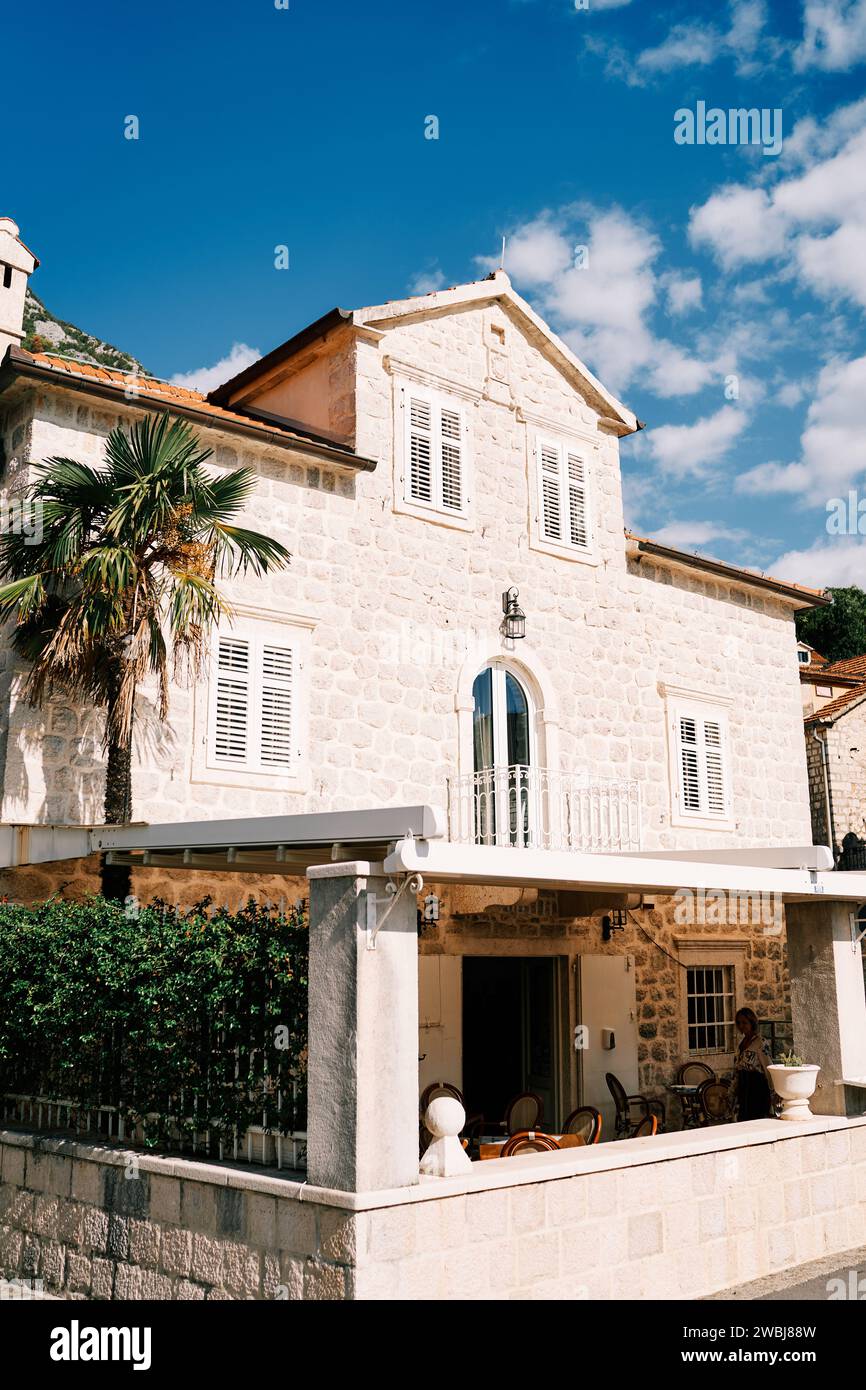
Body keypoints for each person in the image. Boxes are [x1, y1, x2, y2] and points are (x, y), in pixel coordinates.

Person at [733, 1008, 774, 1120]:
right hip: (744, 1086)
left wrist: (773, 1093)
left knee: (756, 1119)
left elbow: (768, 1067)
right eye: (739, 1023)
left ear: (752, 1022)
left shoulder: (761, 1042)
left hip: (756, 1087)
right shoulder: (742, 1043)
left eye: (745, 1022)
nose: (742, 1026)